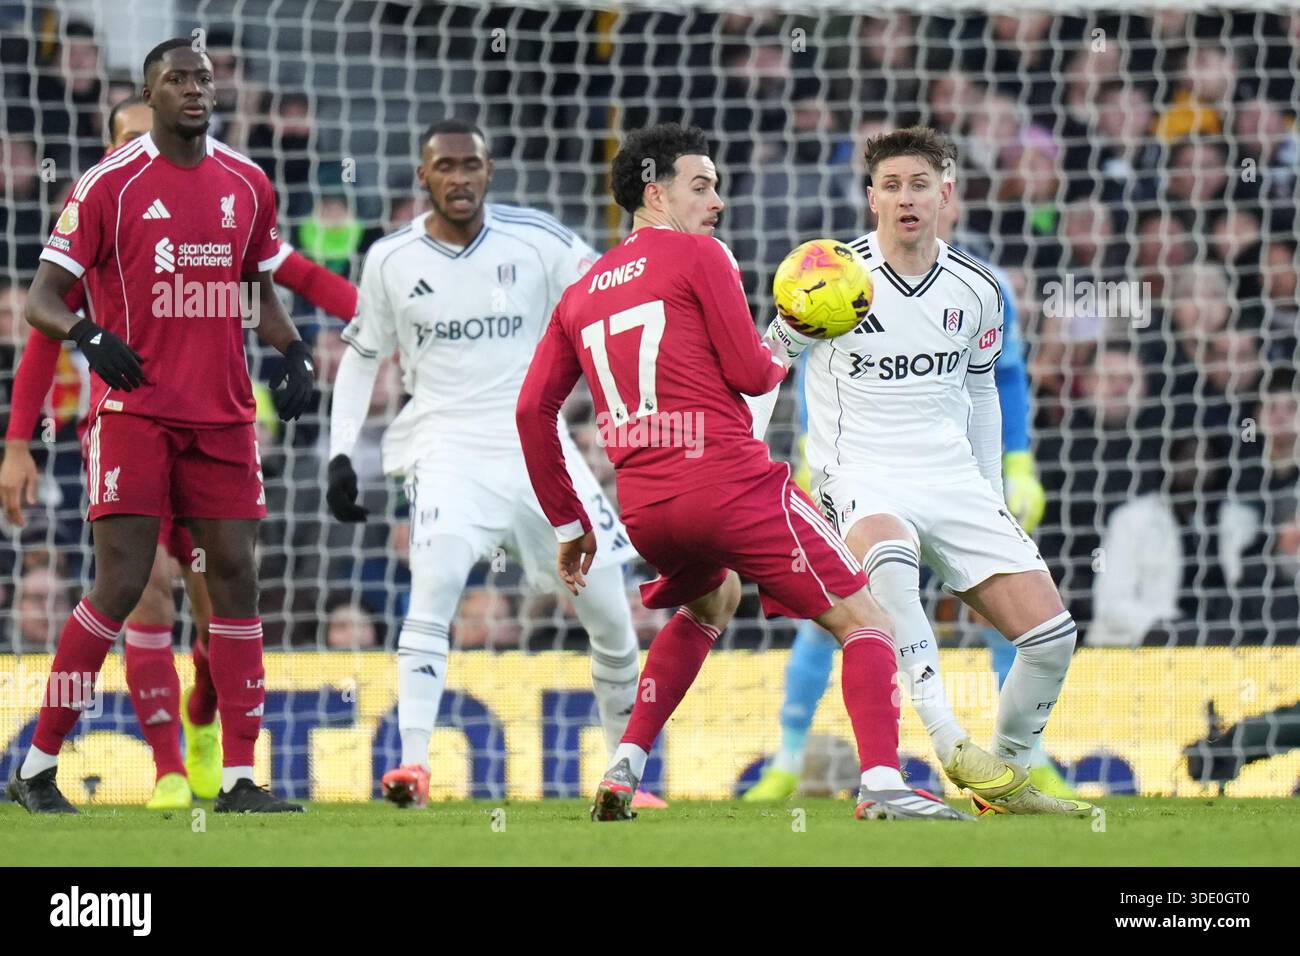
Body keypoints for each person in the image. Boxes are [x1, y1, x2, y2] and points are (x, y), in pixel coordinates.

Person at [516, 122, 969, 822]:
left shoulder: (579, 294)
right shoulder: (701, 255)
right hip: (728, 485)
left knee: (712, 601)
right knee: (867, 621)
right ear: (655, 192)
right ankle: (883, 785)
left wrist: (571, 524)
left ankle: (623, 766)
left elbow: (529, 412)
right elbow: (753, 375)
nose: (717, 201)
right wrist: (795, 330)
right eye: (702, 186)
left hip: (645, 508)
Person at [1, 92, 356, 810]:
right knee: (137, 586)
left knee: (225, 586)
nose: (146, 147)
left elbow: (278, 280)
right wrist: (16, 443)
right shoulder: (102, 204)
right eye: (127, 137)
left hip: (216, 423)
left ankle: (217, 743)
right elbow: (43, 330)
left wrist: (337, 335)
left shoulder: (232, 189)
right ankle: (150, 768)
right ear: (113, 144)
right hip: (131, 424)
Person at [749, 127, 1092, 815]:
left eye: (920, 185)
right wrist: (751, 457)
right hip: (859, 473)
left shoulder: (979, 288)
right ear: (871, 197)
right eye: (892, 186)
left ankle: (1008, 775)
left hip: (951, 477)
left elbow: (985, 391)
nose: (906, 198)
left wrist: (992, 491)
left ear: (946, 194)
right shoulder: (831, 278)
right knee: (890, 564)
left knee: (1052, 638)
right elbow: (765, 369)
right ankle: (946, 736)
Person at [326, 118, 652, 811]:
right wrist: (340, 452)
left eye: (470, 165)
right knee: (435, 583)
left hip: (539, 445)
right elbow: (360, 357)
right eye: (444, 166)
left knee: (609, 613)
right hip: (446, 447)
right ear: (424, 177)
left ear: (488, 171)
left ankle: (625, 777)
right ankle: (413, 766)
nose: (459, 178)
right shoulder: (390, 258)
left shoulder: (537, 241)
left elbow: (610, 295)